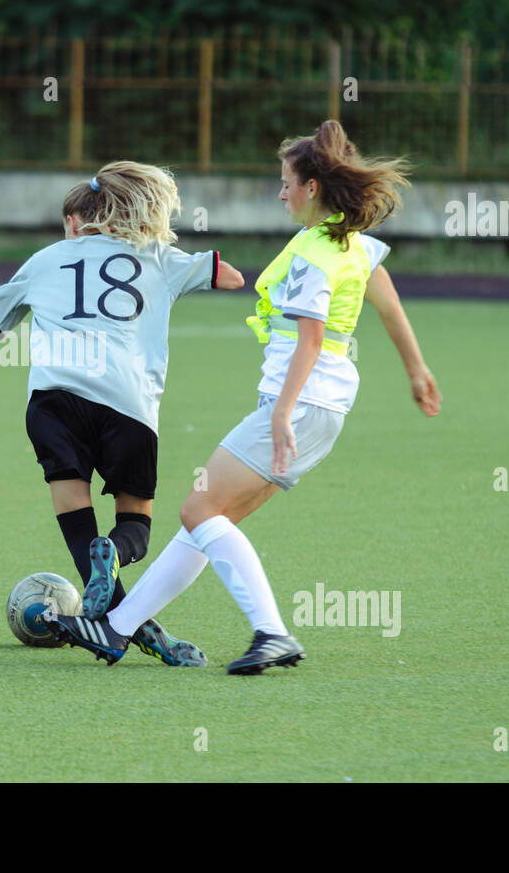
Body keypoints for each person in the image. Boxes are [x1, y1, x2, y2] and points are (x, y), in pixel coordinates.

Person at [44, 121, 442, 673]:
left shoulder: (313, 256)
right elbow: (389, 301)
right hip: (323, 409)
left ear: (313, 188)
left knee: (198, 507)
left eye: (287, 182)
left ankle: (272, 633)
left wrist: (280, 413)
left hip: (297, 405)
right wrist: (417, 370)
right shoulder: (349, 244)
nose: (281, 192)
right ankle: (116, 627)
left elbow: (309, 339)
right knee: (205, 523)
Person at [0, 160, 245, 666]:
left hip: (53, 405)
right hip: (127, 406)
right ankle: (121, 572)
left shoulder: (44, 260)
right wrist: (157, 250)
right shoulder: (155, 257)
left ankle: (137, 628)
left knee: (81, 532)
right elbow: (231, 277)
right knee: (135, 531)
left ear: (77, 222)